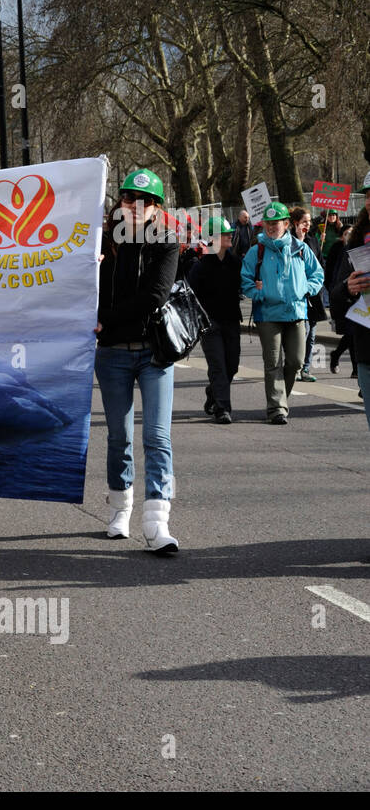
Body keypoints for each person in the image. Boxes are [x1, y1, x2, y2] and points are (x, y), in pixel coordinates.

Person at [94, 168, 180, 554]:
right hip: (110, 354)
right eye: (128, 198)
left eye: (143, 201)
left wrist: (105, 318)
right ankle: (120, 508)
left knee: (157, 436)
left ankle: (157, 521)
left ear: (156, 207)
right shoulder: (101, 238)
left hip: (153, 353)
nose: (134, 206)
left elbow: (155, 296)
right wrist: (89, 265)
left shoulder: (166, 240)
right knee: (119, 437)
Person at [240, 202, 324, 425]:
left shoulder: (300, 248)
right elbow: (245, 278)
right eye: (268, 223)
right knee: (273, 362)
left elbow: (317, 274)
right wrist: (257, 294)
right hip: (267, 314)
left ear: (286, 224)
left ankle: (280, 399)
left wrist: (306, 289)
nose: (271, 227)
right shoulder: (255, 250)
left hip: (296, 312)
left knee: (296, 362)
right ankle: (277, 408)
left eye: (275, 223)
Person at [188, 215, 241, 423]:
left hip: (231, 321)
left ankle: (213, 391)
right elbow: (191, 295)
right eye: (225, 234)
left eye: (229, 233)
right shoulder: (200, 266)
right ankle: (222, 408)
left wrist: (256, 286)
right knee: (218, 365)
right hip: (209, 324)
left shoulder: (236, 263)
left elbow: (244, 286)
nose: (229, 236)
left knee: (232, 365)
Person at [327, 203, 370, 422]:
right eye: (369, 196)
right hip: (367, 346)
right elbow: (336, 293)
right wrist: (348, 287)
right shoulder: (355, 243)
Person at [287, 208, 327, 381]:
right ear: (296, 223)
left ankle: (306, 368)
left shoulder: (313, 240)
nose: (308, 225)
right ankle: (294, 366)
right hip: (296, 296)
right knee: (300, 333)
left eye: (309, 221)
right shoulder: (287, 241)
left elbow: (320, 264)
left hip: (312, 296)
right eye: (305, 222)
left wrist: (316, 282)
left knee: (311, 335)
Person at [328, 223, 356, 376]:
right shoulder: (339, 249)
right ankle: (356, 369)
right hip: (343, 297)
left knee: (352, 333)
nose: (350, 236)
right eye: (347, 233)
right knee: (351, 332)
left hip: (358, 297)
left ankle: (339, 356)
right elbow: (332, 273)